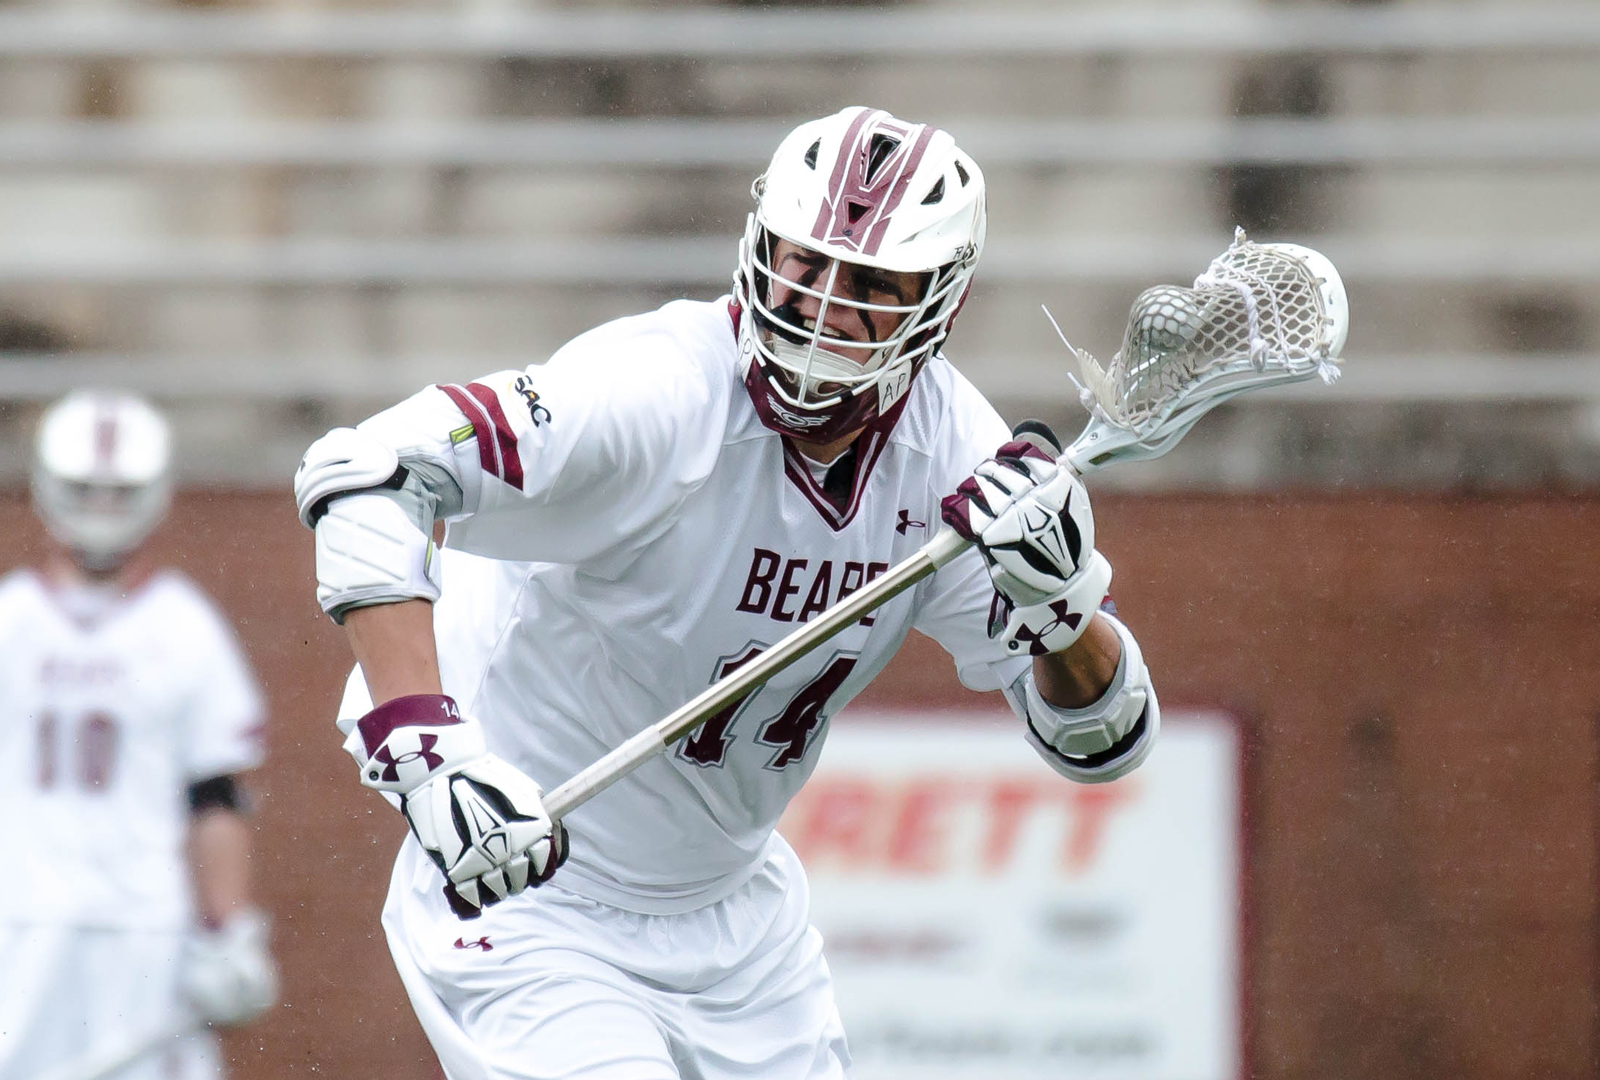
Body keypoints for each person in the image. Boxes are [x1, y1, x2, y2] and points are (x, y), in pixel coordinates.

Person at [294, 105, 1159, 1079]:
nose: (824, 305)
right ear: (759, 246)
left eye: (871, 282)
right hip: (535, 896)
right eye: (803, 263)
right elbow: (361, 473)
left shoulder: (954, 455)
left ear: (942, 303)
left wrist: (1064, 609)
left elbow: (1104, 742)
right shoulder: (656, 393)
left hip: (741, 921)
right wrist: (429, 755)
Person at [0, 390, 278, 1080]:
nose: (101, 509)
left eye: (119, 491)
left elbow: (216, 795)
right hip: (19, 916)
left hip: (143, 923)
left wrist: (229, 926)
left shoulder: (186, 628)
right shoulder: (1, 621)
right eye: (84, 490)